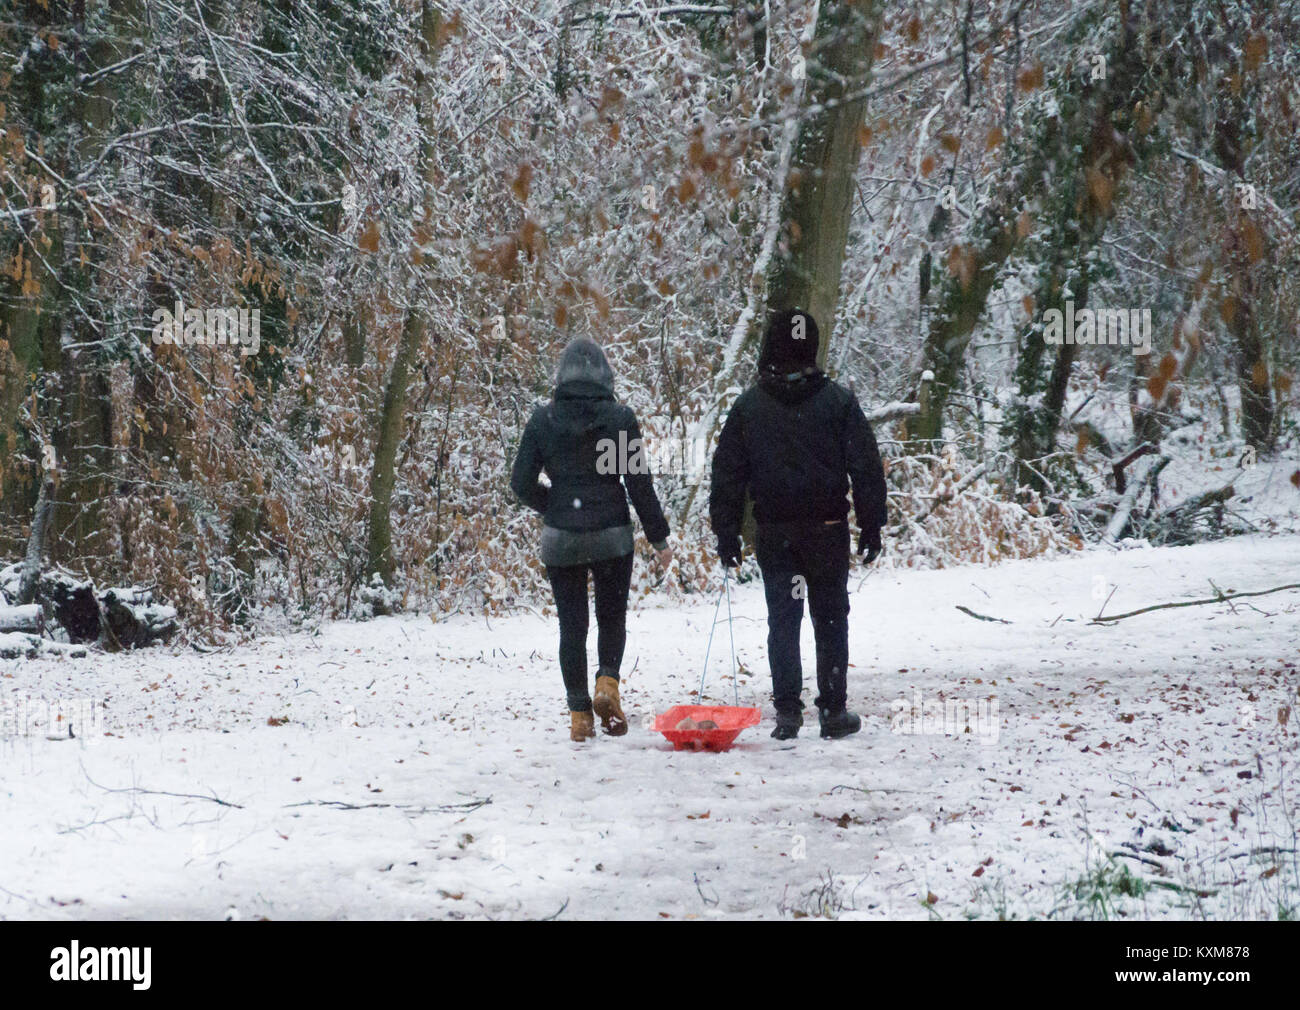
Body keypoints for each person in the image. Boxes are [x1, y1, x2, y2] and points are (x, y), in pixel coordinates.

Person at [709, 309, 887, 740]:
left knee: (783, 618)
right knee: (830, 616)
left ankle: (788, 712)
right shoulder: (839, 403)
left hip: (777, 533)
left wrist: (727, 531)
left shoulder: (750, 408)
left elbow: (728, 473)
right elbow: (865, 467)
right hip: (826, 530)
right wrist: (871, 524)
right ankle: (832, 709)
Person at [511, 338, 673, 742]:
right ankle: (607, 683)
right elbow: (638, 483)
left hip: (561, 538)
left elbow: (520, 483)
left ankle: (580, 714)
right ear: (605, 375)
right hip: (611, 536)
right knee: (611, 617)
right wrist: (659, 538)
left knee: (572, 626)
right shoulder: (620, 419)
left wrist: (555, 505)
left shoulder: (542, 421)